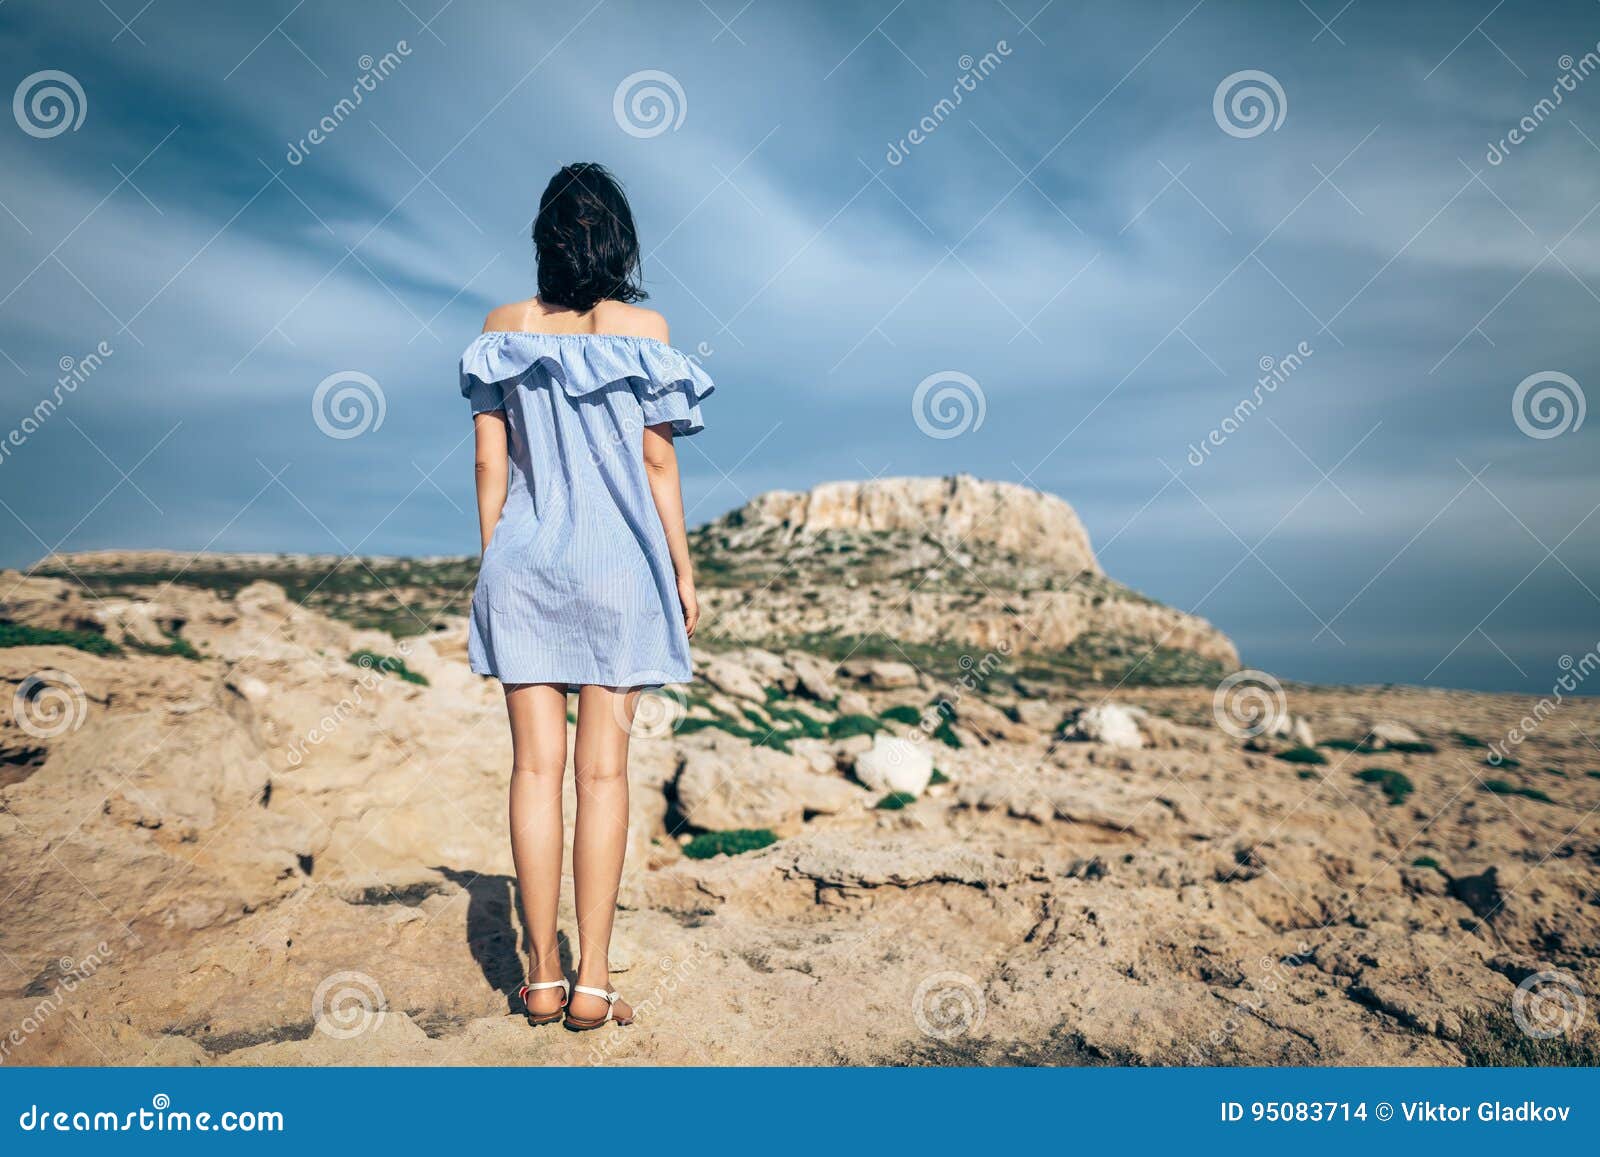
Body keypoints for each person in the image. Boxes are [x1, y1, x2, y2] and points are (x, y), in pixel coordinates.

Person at [460, 163, 711, 1031]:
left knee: (534, 769)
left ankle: (539, 975)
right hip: (617, 568)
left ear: (544, 239)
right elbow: (656, 462)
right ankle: (594, 980)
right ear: (619, 238)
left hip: (525, 563)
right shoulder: (645, 329)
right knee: (603, 772)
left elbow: (492, 463)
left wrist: (500, 558)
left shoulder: (503, 328)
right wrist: (681, 567)